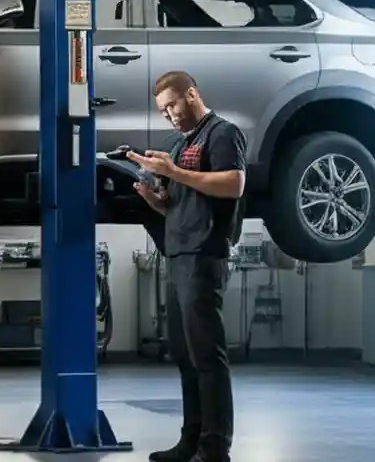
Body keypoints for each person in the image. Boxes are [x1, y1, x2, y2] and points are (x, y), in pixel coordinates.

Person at [127, 70, 246, 462]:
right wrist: (154, 196)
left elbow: (234, 184)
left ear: (192, 94)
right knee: (184, 354)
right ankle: (190, 442)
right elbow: (178, 203)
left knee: (207, 357)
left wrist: (174, 173)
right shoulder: (178, 145)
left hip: (204, 253)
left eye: (173, 105)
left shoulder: (222, 133)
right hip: (177, 254)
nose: (170, 116)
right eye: (163, 111)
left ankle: (214, 449)